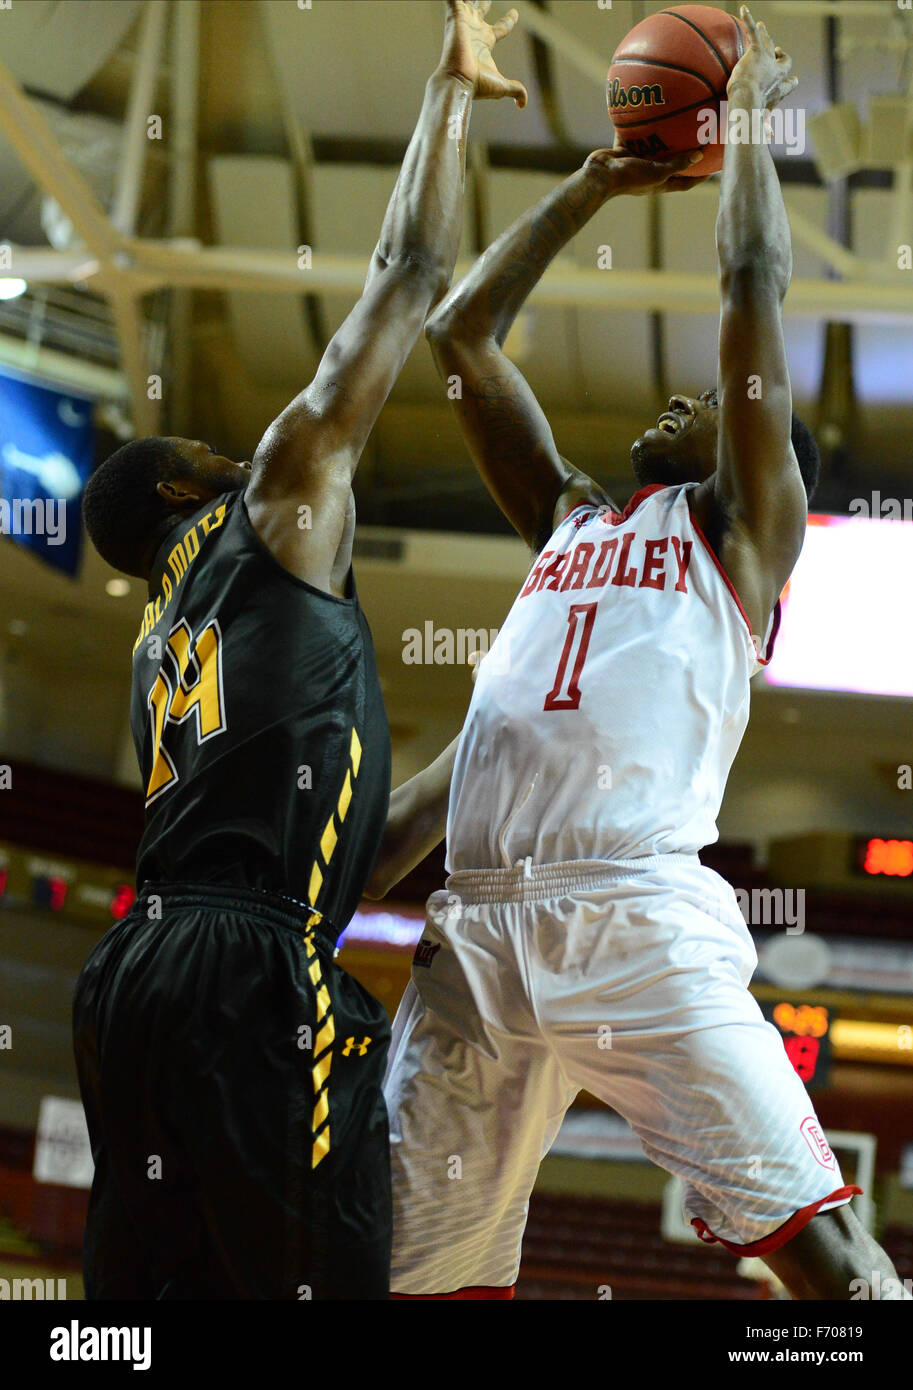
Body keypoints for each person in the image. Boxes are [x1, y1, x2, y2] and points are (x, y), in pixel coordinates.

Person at [383, 7, 907, 1301]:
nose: (675, 400)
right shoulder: (568, 519)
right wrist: (591, 178)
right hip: (479, 929)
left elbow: (748, 292)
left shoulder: (738, 534)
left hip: (635, 913)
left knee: (826, 1259)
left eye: (699, 407)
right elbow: (461, 337)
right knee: (411, 1281)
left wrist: (743, 138)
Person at [73, 0, 526, 1300]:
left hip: (137, 970)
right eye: (197, 451)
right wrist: (446, 92)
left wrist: (497, 735)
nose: (231, 443)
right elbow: (404, 279)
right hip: (244, 966)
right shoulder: (269, 498)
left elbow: (330, 849)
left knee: (145, 1305)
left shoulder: (164, 642)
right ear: (173, 491)